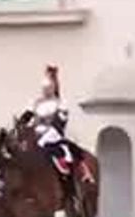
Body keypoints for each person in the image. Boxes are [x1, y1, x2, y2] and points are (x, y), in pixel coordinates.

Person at [21, 66, 92, 202]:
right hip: (35, 134)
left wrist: (45, 137)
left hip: (53, 136)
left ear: (54, 88)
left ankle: (70, 190)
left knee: (63, 157)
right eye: (44, 88)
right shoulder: (35, 103)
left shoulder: (60, 103)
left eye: (49, 88)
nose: (46, 91)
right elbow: (26, 117)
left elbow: (60, 122)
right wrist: (21, 126)